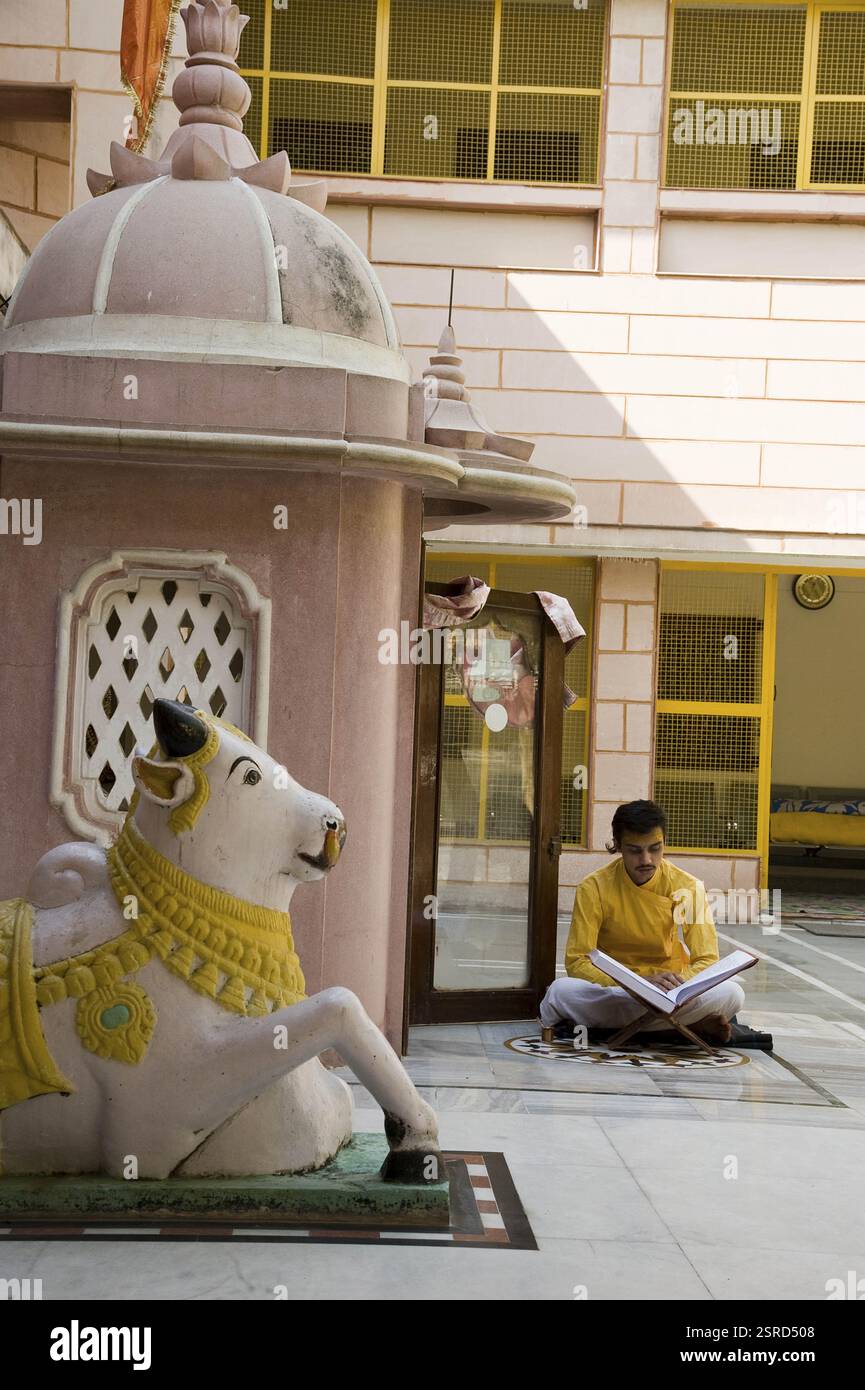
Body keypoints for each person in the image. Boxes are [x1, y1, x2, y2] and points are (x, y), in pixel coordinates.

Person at [539, 800, 770, 1048]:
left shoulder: (687, 886)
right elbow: (577, 961)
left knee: (732, 994)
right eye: (635, 850)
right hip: (619, 990)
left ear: (665, 843)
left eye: (655, 849)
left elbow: (706, 959)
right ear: (617, 845)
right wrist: (639, 983)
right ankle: (679, 1028)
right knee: (560, 992)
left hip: (671, 992)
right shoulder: (593, 887)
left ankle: (648, 1026)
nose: (646, 859)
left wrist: (677, 986)